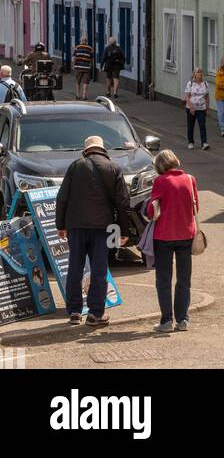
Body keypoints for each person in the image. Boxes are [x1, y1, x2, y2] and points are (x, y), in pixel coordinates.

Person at [55, 134, 131, 325]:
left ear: (86, 150)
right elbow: (122, 203)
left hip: (76, 226)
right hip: (103, 227)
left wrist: (60, 225)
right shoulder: (113, 168)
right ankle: (96, 313)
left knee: (75, 267)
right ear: (103, 149)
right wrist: (124, 230)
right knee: (99, 269)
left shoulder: (76, 166)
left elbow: (62, 198)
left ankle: (74, 311)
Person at [145, 149, 198, 333]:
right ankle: (182, 320)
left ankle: (166, 321)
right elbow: (195, 207)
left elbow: (152, 211)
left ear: (159, 166)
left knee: (164, 279)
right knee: (184, 279)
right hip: (186, 234)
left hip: (164, 236)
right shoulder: (190, 179)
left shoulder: (160, 181)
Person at [184, 68, 210, 150]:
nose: (200, 74)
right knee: (190, 126)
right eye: (198, 72)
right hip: (191, 108)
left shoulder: (205, 83)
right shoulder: (190, 83)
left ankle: (204, 143)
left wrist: (207, 107)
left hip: (201, 108)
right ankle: (190, 142)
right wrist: (191, 107)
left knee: (202, 125)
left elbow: (207, 97)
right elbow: (187, 96)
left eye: (201, 72)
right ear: (194, 74)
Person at [72, 35, 95, 100]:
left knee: (78, 81)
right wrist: (90, 65)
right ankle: (84, 95)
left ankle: (78, 95)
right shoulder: (90, 49)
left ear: (81, 41)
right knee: (85, 82)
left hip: (78, 67)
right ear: (86, 41)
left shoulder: (77, 47)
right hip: (86, 67)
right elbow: (91, 59)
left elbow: (74, 57)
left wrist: (73, 65)